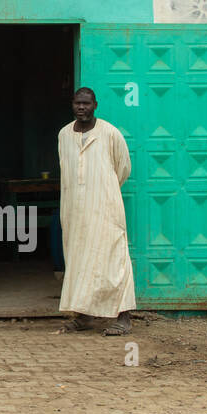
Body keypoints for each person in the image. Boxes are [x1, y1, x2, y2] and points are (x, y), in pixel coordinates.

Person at [57, 87, 135, 335]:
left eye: (86, 103)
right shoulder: (63, 135)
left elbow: (123, 168)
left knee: (114, 259)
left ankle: (123, 317)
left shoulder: (109, 133)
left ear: (95, 105)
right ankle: (84, 316)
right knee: (80, 260)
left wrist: (103, 191)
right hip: (75, 210)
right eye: (78, 103)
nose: (82, 107)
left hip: (105, 207)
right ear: (72, 104)